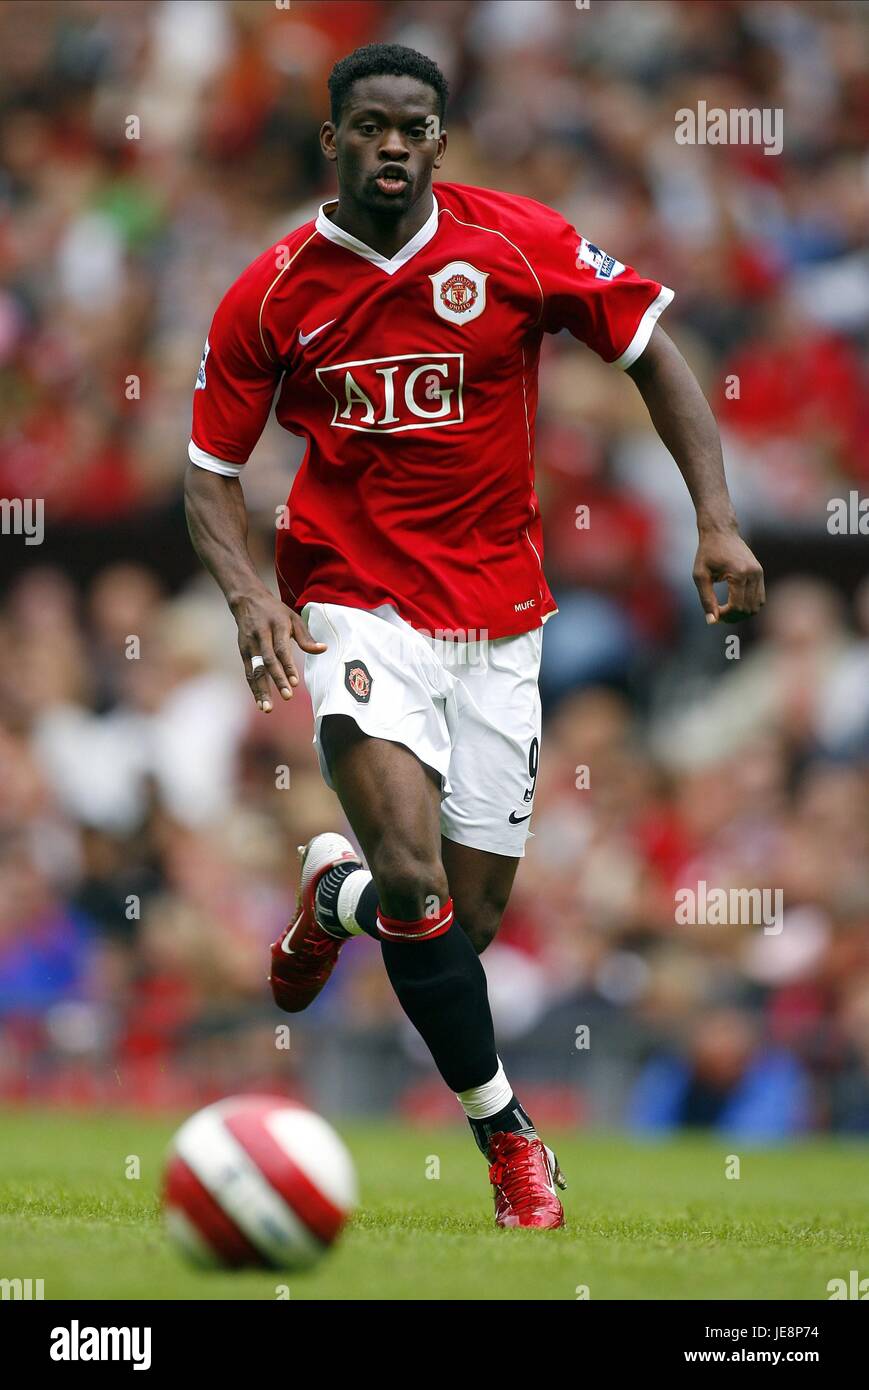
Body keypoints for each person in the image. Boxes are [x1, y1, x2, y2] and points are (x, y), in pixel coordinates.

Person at [184, 43, 765, 1229]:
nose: (390, 145)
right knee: (414, 873)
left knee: (457, 915)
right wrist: (252, 598)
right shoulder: (274, 288)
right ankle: (507, 1134)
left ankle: (328, 899)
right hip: (351, 604)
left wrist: (713, 518)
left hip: (498, 621)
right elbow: (208, 472)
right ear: (331, 140)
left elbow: (651, 345)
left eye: (413, 127)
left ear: (439, 142)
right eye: (368, 126)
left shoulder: (514, 242)